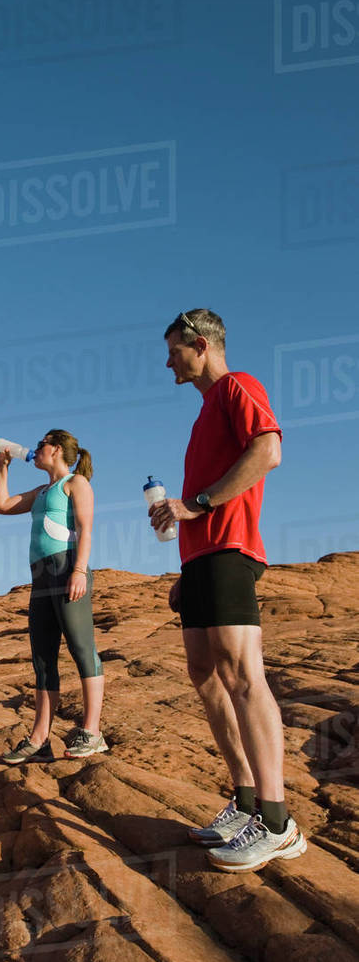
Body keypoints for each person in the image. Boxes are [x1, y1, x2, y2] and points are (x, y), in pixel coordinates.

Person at [150, 309, 306, 872]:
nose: (168, 361)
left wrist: (197, 505)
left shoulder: (238, 387)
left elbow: (268, 450)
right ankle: (243, 801)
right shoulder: (202, 415)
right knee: (204, 673)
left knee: (243, 674)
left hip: (231, 548)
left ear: (200, 344)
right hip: (201, 558)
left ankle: (277, 820)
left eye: (173, 351)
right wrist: (187, 565)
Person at [0, 430, 107, 763]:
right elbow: (1, 505)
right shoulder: (42, 491)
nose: (36, 449)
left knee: (81, 647)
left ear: (55, 449)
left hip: (68, 568)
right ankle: (40, 739)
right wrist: (3, 467)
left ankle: (92, 732)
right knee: (43, 658)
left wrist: (79, 570)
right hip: (41, 577)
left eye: (41, 444)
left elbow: (86, 528)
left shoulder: (76, 483)